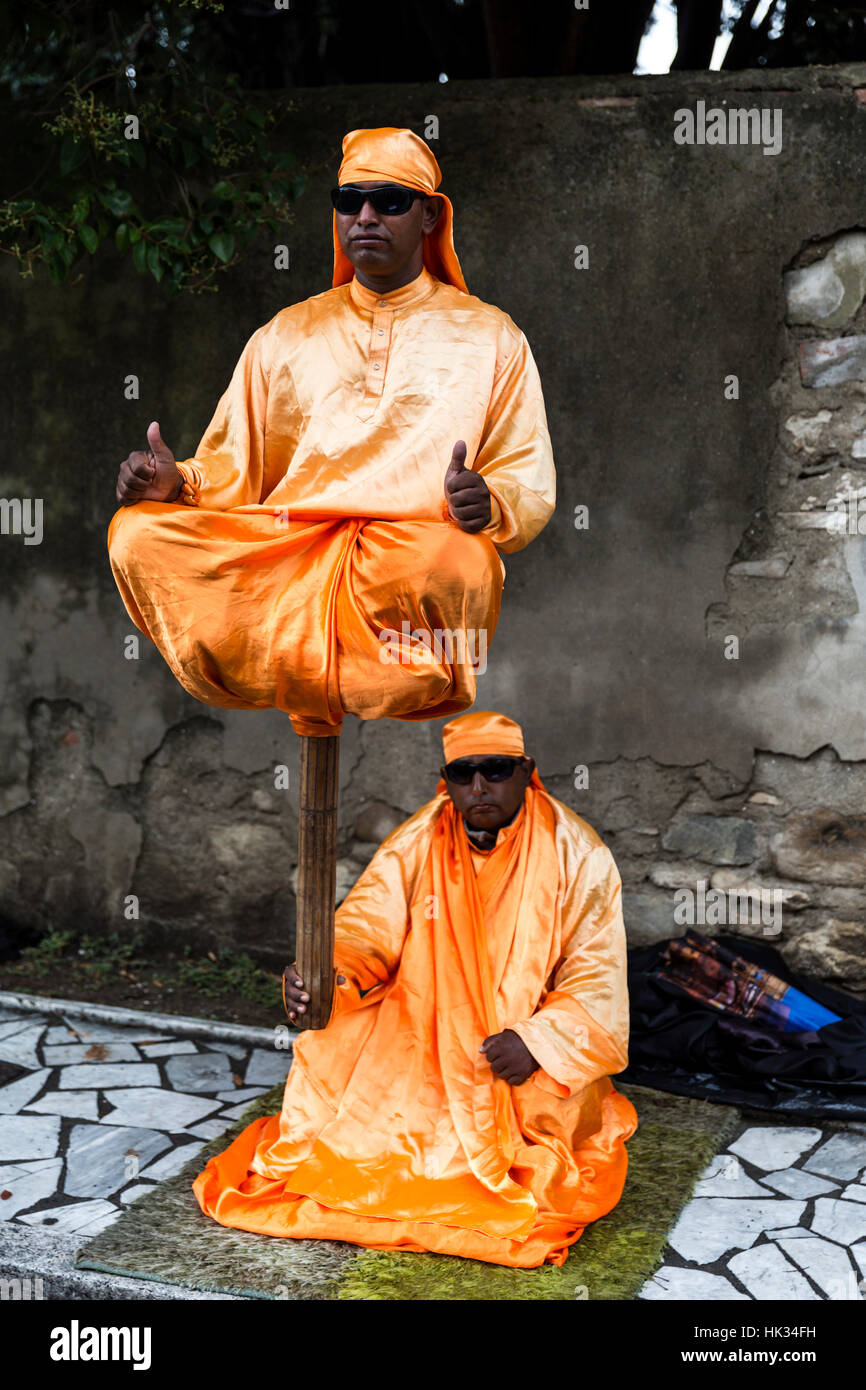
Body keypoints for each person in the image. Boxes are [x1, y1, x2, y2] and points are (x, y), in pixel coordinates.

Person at [107, 127, 555, 737]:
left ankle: (356, 671)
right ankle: (313, 666)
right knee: (135, 533)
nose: (365, 216)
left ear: (428, 215)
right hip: (286, 548)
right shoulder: (286, 333)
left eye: (389, 201)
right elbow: (233, 466)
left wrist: (488, 500)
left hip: (403, 557)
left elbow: (523, 471)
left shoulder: (491, 336)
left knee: (462, 561)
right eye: (350, 202)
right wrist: (175, 482)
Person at [193, 711, 638, 1268]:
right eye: (463, 774)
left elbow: (595, 976)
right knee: (332, 1036)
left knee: (541, 1113)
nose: (479, 788)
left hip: (511, 1047)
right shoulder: (422, 836)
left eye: (496, 770)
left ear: (527, 772)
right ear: (445, 780)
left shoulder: (579, 852)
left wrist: (539, 1042)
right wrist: (326, 974)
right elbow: (365, 929)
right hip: (416, 1027)